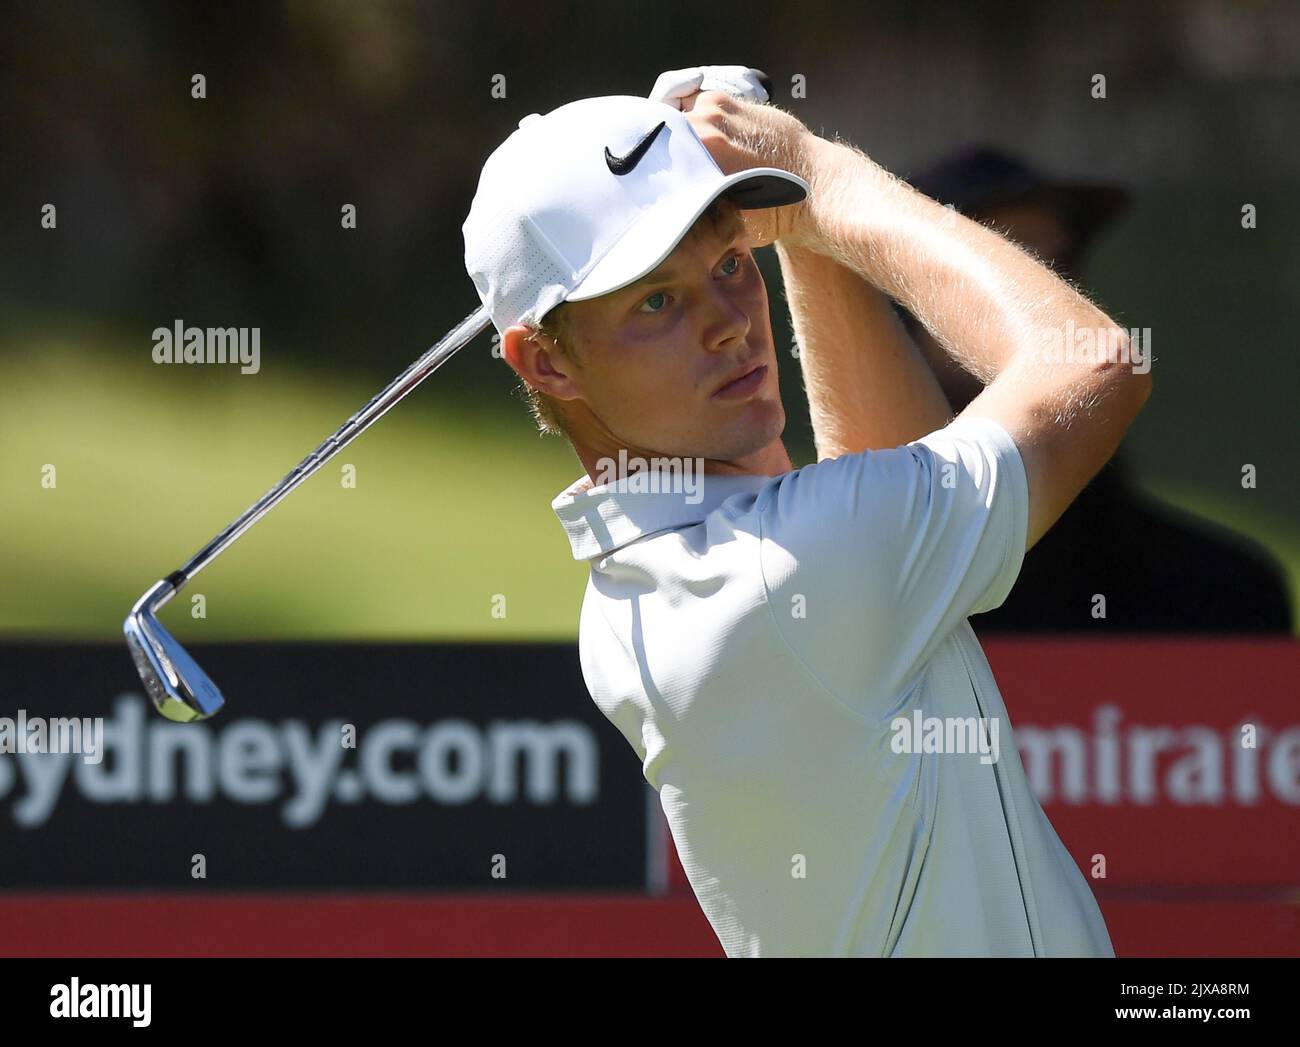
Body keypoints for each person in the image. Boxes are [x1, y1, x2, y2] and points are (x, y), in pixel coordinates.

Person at [462, 86, 1150, 956]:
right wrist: (821, 174)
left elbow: (888, 475)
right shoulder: (776, 577)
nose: (728, 326)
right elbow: (1090, 365)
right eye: (656, 302)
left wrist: (792, 227)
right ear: (545, 360)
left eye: (729, 264)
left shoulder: (666, 577)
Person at [903, 146, 1292, 632]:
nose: (1042, 310)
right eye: (994, 279)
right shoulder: (834, 575)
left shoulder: (1222, 596)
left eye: (1057, 271)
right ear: (899, 312)